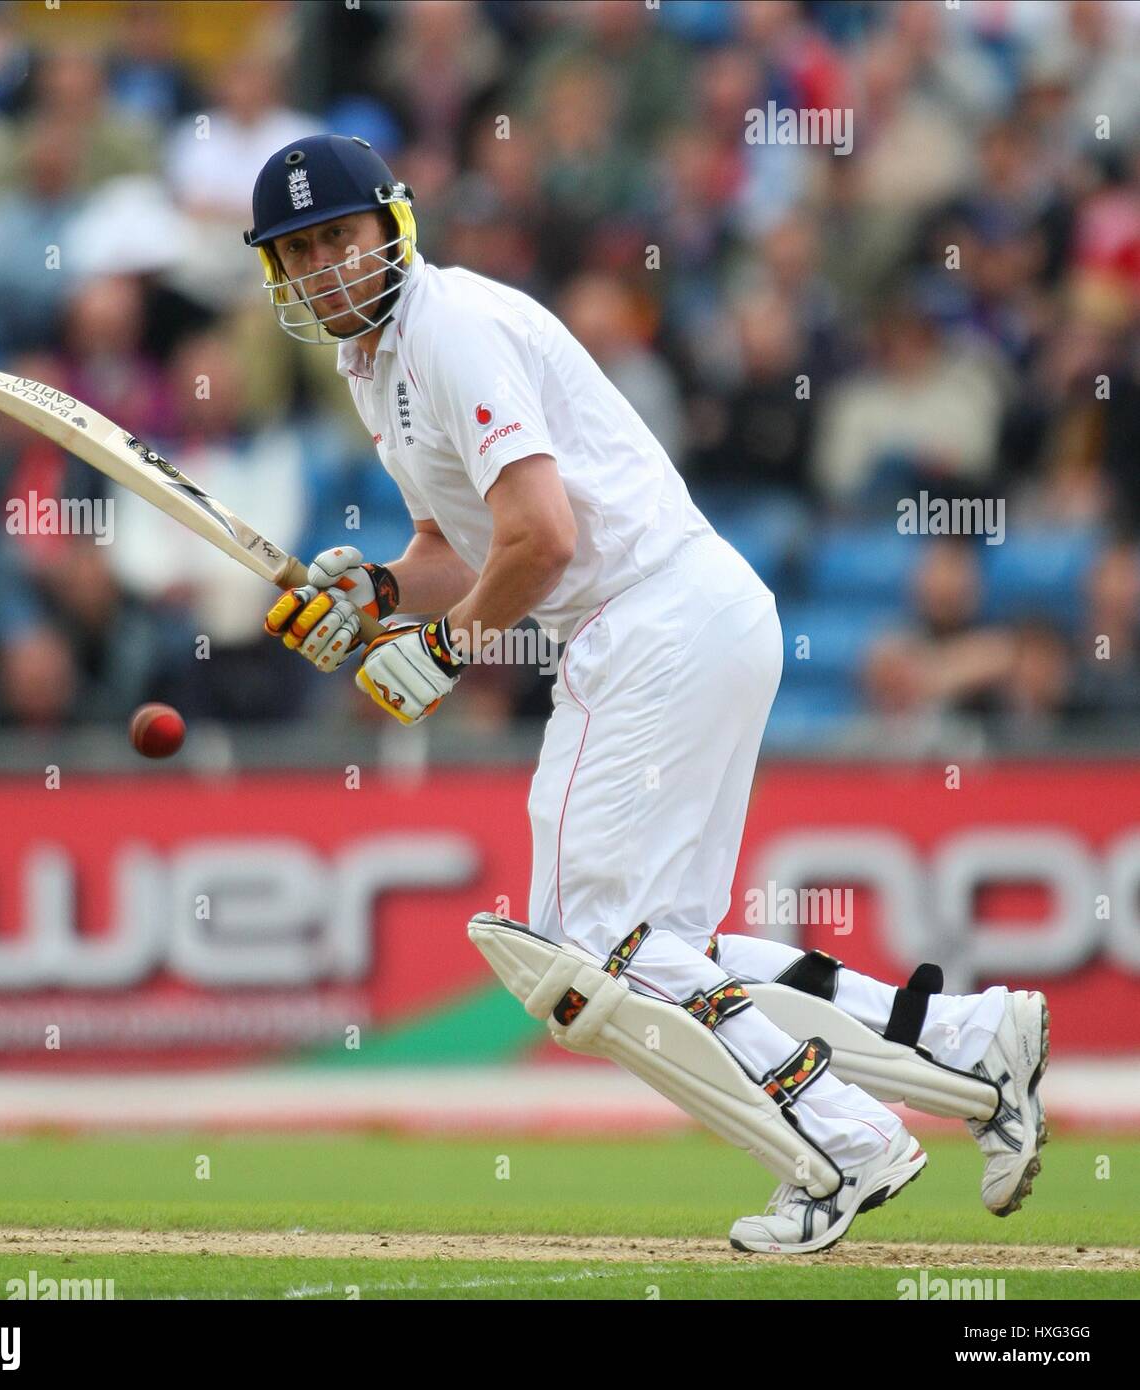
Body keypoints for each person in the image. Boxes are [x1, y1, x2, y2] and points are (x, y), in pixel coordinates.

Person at [246, 134, 1048, 1253]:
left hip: (645, 619)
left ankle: (843, 1143)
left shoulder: (450, 328)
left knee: (590, 952)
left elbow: (542, 535)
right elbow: (458, 536)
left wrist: (445, 645)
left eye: (338, 236)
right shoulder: (372, 364)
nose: (326, 266)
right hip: (685, 614)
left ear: (393, 225)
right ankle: (966, 1043)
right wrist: (381, 585)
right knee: (658, 950)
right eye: (298, 253)